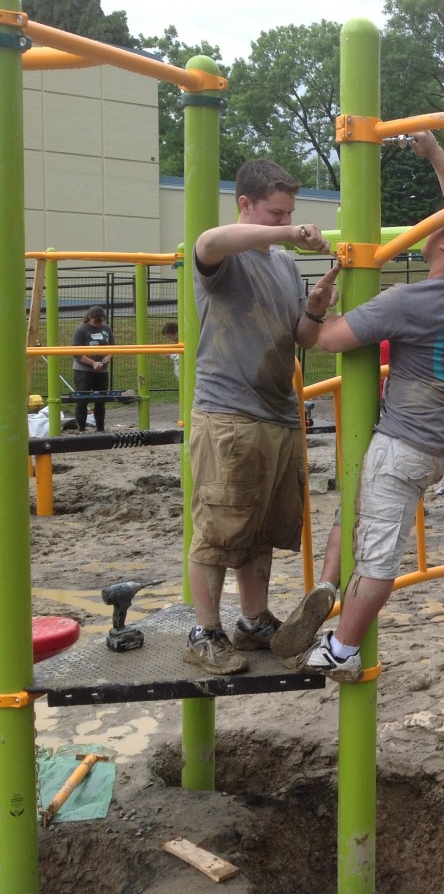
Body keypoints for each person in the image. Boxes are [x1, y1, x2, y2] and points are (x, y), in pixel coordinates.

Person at [275, 131, 444, 683]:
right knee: (355, 512)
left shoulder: (406, 302)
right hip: (441, 443)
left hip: (402, 444)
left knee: (378, 555)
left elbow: (325, 341)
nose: (429, 226)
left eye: (436, 226)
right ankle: (329, 587)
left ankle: (342, 648)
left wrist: (314, 305)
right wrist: (436, 154)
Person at [184, 158, 341, 675]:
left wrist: (315, 307)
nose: (283, 225)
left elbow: (302, 336)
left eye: (290, 215)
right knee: (218, 528)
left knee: (260, 528)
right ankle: (204, 632)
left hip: (277, 411)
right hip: (228, 413)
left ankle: (253, 620)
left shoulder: (283, 264)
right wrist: (290, 233)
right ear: (244, 205)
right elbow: (209, 241)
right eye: (275, 215)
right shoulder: (224, 257)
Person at [70, 306, 114, 432]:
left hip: (102, 370)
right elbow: (76, 353)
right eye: (96, 321)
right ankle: (81, 428)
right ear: (90, 318)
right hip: (83, 370)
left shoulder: (106, 329)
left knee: (101, 399)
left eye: (101, 321)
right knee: (82, 399)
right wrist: (93, 363)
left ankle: (100, 428)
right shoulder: (81, 330)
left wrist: (107, 358)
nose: (99, 323)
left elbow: (113, 347)